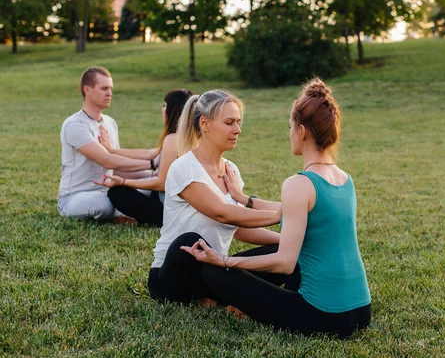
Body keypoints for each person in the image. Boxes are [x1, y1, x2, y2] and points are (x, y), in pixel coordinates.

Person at [181, 79, 371, 338]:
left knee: (215, 273)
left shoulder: (298, 183)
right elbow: (295, 209)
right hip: (361, 310)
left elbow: (284, 263)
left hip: (325, 317)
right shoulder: (343, 178)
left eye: (290, 127)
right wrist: (244, 198)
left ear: (302, 131)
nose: (289, 133)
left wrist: (224, 260)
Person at [148, 90, 288, 305]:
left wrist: (288, 241)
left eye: (238, 122)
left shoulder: (231, 169)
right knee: (189, 242)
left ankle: (223, 296)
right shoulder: (184, 167)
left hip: (212, 268)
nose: (237, 130)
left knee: (285, 251)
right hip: (172, 275)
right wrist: (281, 215)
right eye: (229, 122)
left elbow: (239, 229)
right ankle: (230, 296)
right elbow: (222, 214)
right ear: (204, 124)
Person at [57, 66, 154, 221]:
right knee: (104, 205)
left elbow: (117, 168)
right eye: (104, 88)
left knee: (151, 186)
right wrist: (151, 163)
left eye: (110, 88)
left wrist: (153, 175)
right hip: (76, 196)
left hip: (110, 189)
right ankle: (123, 212)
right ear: (87, 90)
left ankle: (124, 210)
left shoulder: (110, 123)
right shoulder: (74, 124)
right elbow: (108, 161)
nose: (110, 93)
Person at [95, 89, 194, 226]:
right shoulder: (190, 137)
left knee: (117, 193)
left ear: (174, 110)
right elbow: (148, 154)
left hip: (173, 213)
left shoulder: (172, 140)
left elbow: (162, 184)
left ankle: (150, 219)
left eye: (165, 105)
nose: (163, 109)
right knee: (148, 188)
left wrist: (123, 181)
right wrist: (111, 150)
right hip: (186, 207)